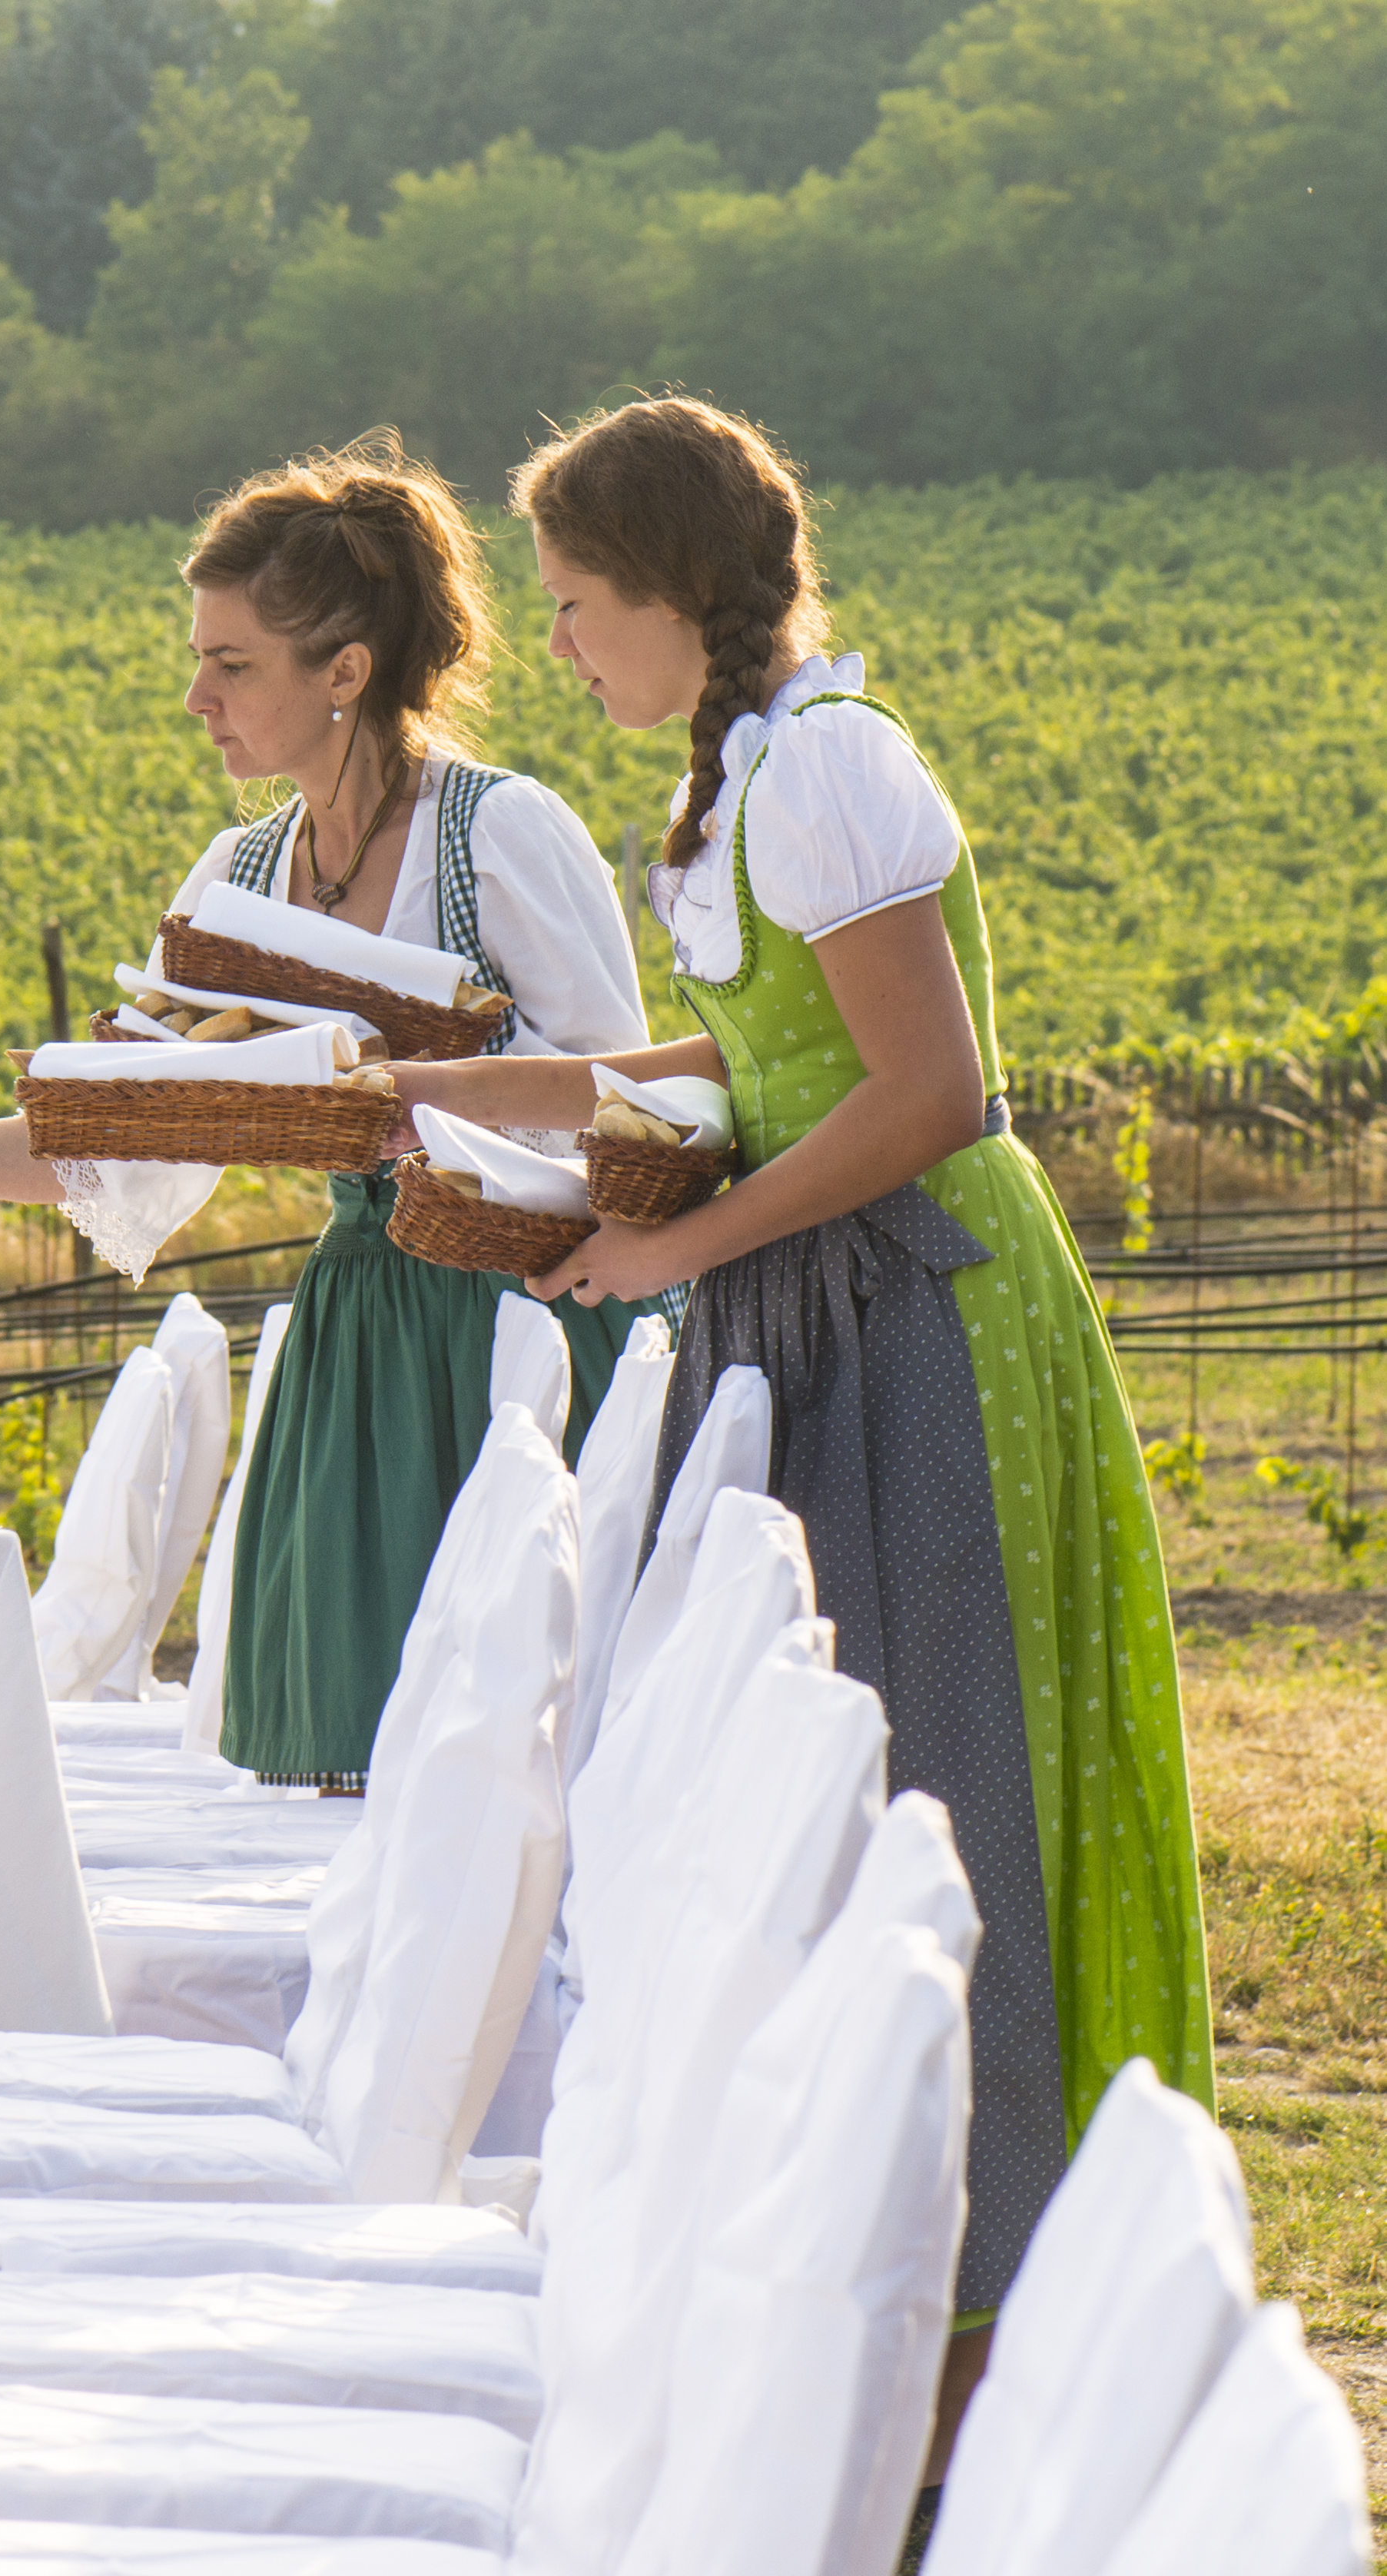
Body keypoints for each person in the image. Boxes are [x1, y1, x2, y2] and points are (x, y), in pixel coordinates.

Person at [397, 395, 1208, 2458]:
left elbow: (925, 1091)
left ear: (672, 591)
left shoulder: (825, 765)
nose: (553, 645)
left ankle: (982, 2330)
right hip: (815, 1303)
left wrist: (680, 1248)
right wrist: (480, 1091)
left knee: (944, 1792)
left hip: (921, 1308)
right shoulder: (742, 778)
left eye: (573, 604)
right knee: (818, 1794)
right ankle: (864, 2291)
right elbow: (759, 1057)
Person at [0, 437, 651, 1784]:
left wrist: (402, 1095)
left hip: (520, 1333)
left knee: (516, 1766)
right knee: (347, 1760)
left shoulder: (498, 835)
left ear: (344, 672)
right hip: (361, 1342)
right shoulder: (239, 880)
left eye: (232, 664)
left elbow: (622, 1113)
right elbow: (112, 1142)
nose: (196, 698)